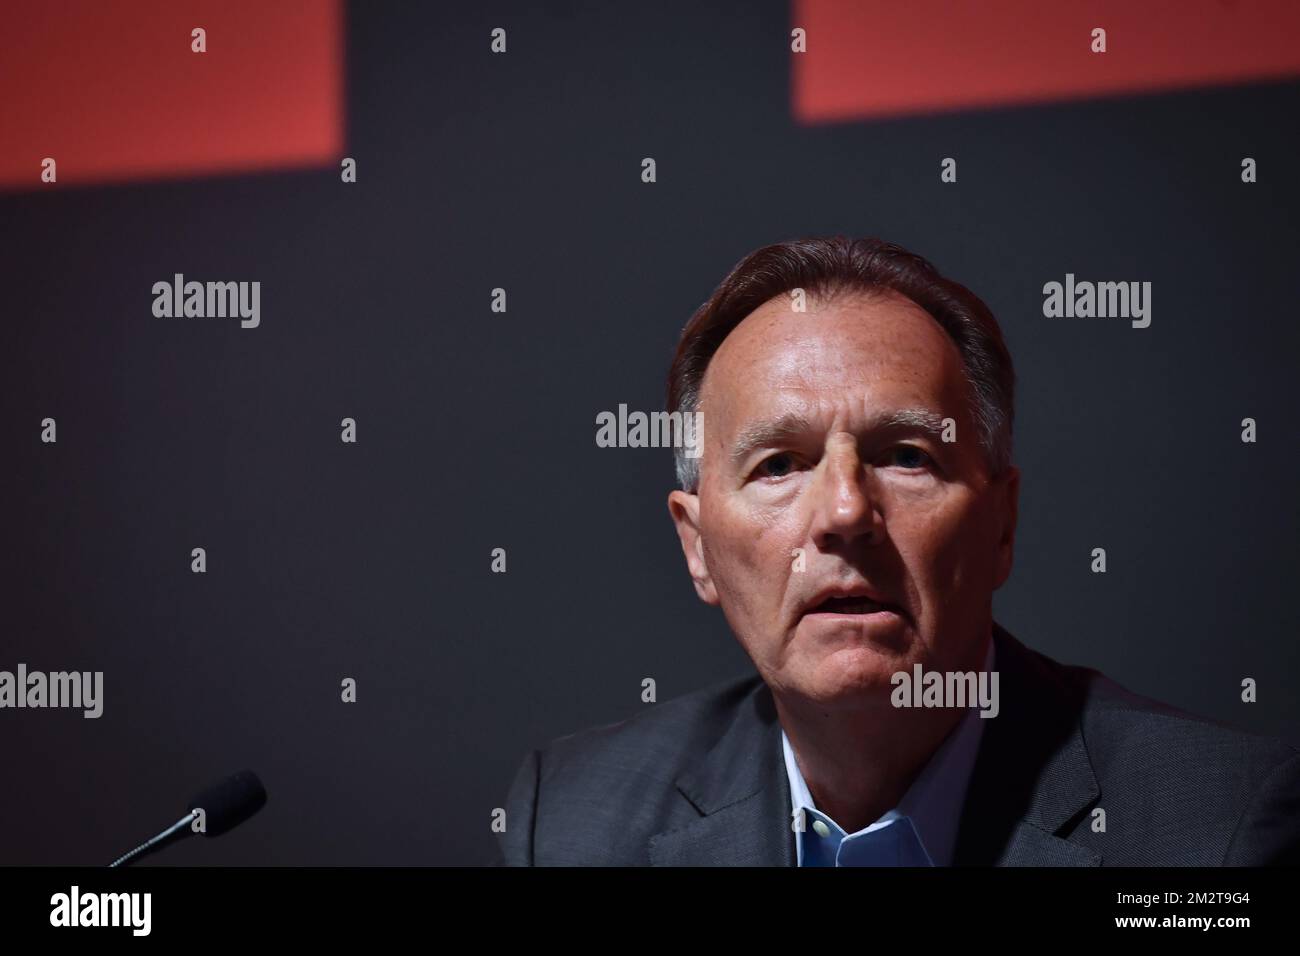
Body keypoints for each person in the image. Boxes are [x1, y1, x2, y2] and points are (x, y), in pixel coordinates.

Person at [496, 236, 1300, 866]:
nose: (846, 512)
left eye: (907, 456)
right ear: (697, 545)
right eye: (779, 465)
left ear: (1002, 524)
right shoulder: (571, 823)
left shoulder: (1219, 830)